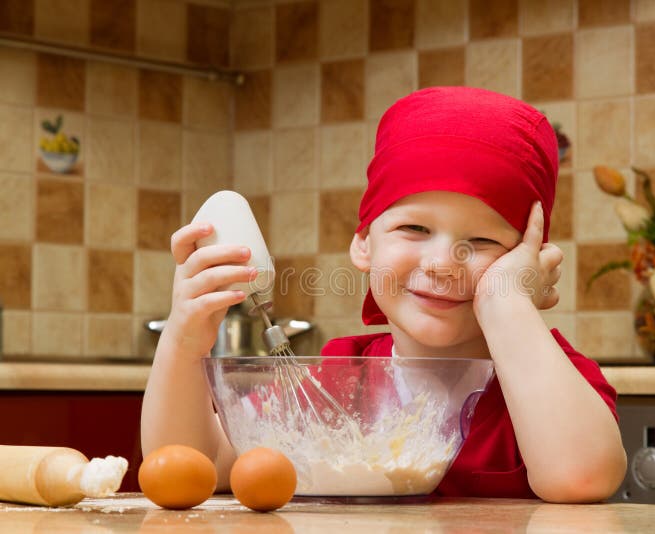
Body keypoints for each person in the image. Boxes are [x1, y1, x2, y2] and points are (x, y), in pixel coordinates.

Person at [141, 86, 627, 503]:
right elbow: (194, 466)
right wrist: (184, 341)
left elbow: (579, 477)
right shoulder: (336, 381)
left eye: (482, 242)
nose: (441, 263)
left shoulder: (556, 377)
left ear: (529, 261)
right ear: (363, 243)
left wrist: (507, 305)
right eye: (414, 228)